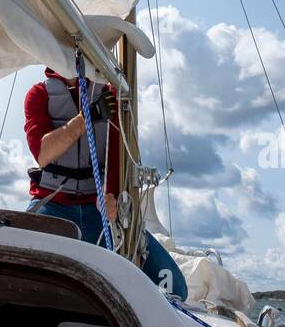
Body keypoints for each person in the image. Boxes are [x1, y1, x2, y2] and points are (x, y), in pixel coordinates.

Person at [24, 66, 188, 302]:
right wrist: (85, 119)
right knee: (22, 271)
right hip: (53, 207)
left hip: (98, 211)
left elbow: (116, 155)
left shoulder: (111, 95)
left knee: (175, 289)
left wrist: (110, 194)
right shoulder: (38, 95)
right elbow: (43, 153)